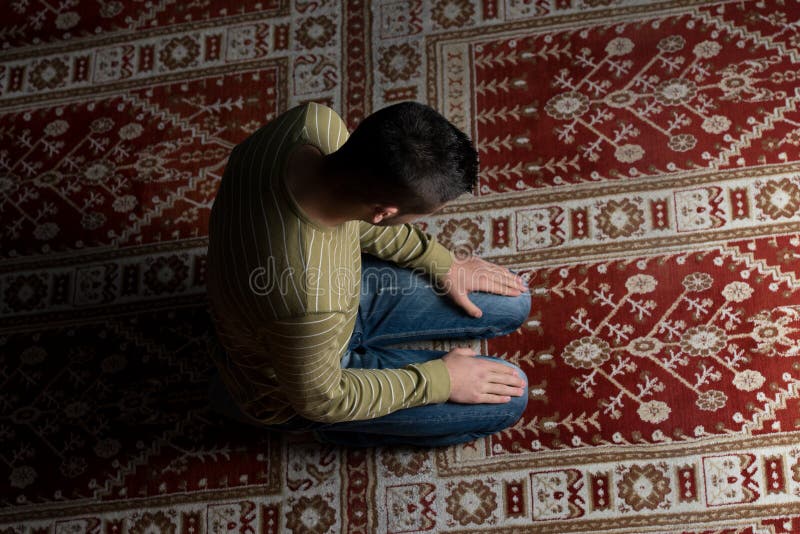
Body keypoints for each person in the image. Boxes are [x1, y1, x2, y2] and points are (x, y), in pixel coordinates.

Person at [206, 101, 531, 447]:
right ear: (383, 212)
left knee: (515, 302)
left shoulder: (313, 124)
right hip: (299, 370)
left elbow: (355, 214)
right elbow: (322, 400)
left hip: (329, 298)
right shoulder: (308, 302)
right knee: (511, 401)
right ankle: (334, 430)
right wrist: (442, 380)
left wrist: (442, 262)